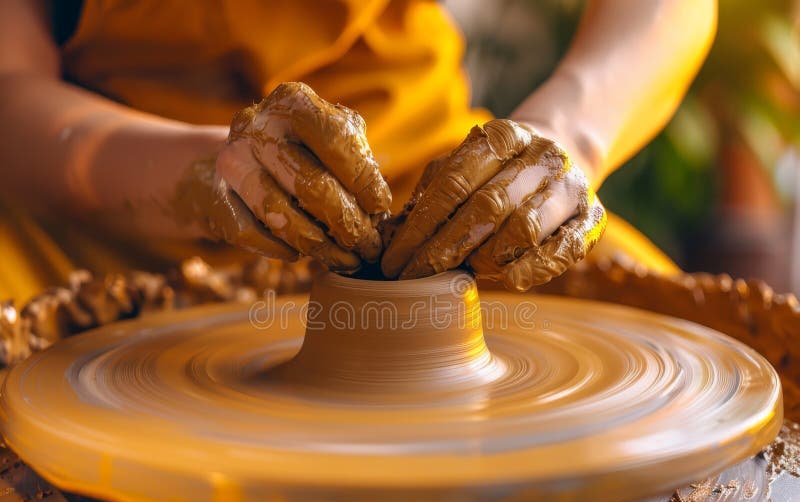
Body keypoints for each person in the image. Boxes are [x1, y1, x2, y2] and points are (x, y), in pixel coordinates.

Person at [0, 0, 716, 302]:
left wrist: (571, 133)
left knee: (693, 363)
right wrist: (200, 175)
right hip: (111, 186)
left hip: (432, 184)